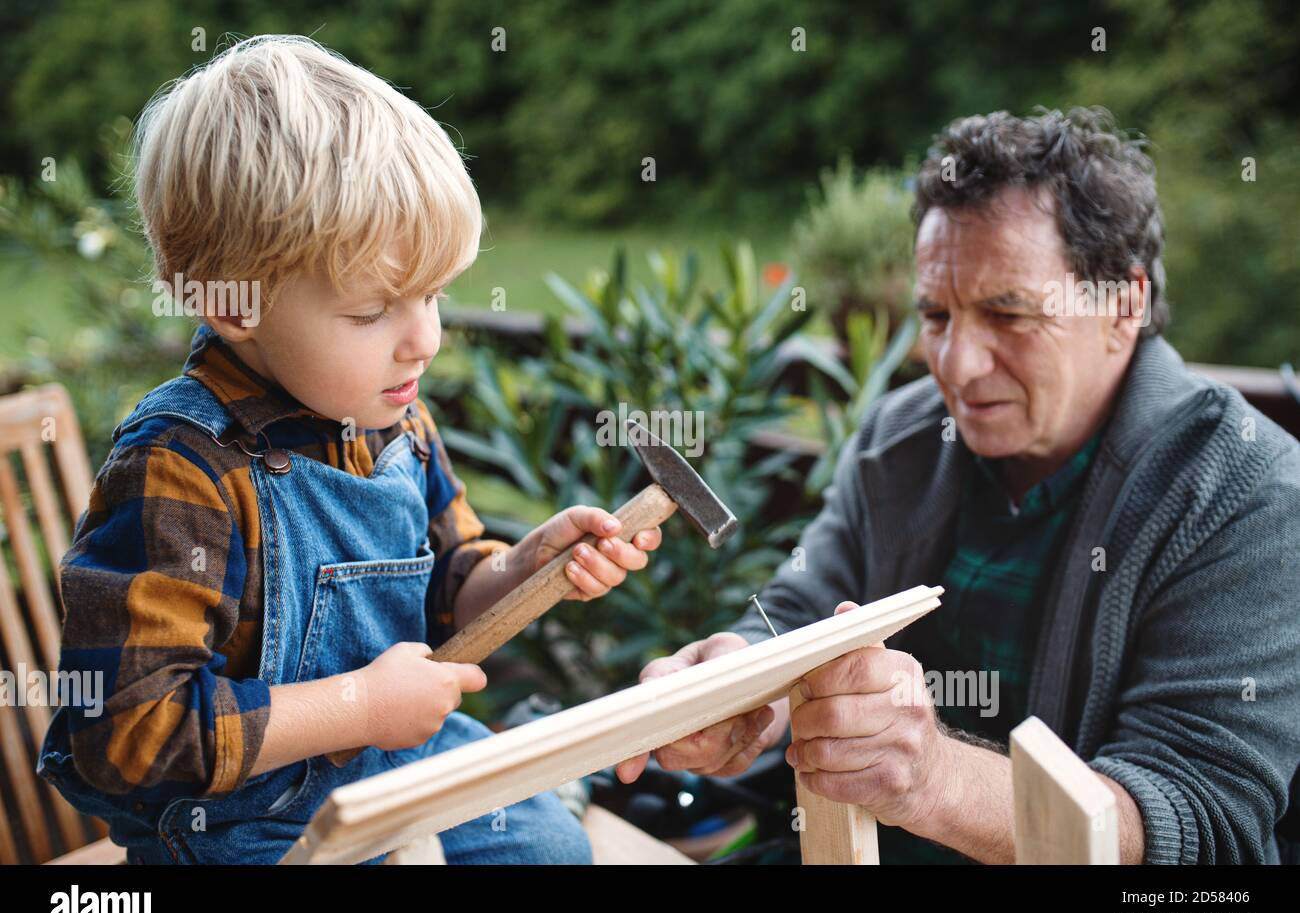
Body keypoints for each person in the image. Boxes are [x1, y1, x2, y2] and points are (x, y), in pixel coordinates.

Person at [36, 35, 662, 865]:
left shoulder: (392, 418)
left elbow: (447, 593)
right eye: (373, 312)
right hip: (244, 821)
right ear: (233, 303)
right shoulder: (183, 469)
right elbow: (129, 735)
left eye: (434, 294)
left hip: (394, 764)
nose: (424, 340)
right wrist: (359, 704)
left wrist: (523, 572)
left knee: (548, 843)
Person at [617, 108, 1300, 865]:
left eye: (1008, 313)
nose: (958, 366)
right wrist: (744, 688)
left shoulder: (1248, 491)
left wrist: (935, 781)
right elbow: (797, 617)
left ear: (1123, 304)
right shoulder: (902, 438)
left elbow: (1201, 830)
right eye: (936, 315)